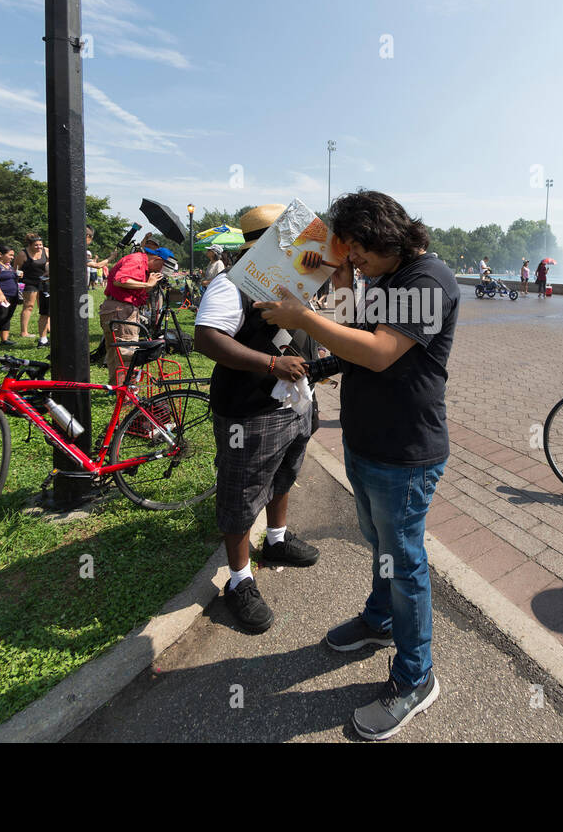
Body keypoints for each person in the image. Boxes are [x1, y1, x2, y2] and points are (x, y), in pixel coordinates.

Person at [258, 190, 459, 741]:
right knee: (379, 544)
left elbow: (377, 351)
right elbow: (351, 339)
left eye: (358, 252)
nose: (354, 262)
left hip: (406, 452)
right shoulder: (382, 278)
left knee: (405, 559)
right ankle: (381, 619)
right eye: (349, 254)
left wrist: (301, 315)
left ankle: (417, 678)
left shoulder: (428, 281)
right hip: (367, 442)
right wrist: (342, 279)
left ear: (386, 236)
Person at [194, 205, 321, 634]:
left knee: (285, 473)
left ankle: (278, 539)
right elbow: (207, 338)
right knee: (242, 490)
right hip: (249, 411)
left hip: (293, 406)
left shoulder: (291, 284)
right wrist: (270, 364)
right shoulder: (231, 287)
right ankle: (239, 579)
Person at [99, 244, 170, 385]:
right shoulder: (137, 261)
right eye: (161, 267)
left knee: (115, 352)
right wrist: (147, 285)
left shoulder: (138, 262)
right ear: (157, 259)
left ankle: (117, 387)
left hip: (114, 308)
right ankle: (126, 391)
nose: (160, 271)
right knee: (126, 350)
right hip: (121, 310)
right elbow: (120, 280)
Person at [16, 234, 49, 345]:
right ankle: (24, 331)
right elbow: (16, 268)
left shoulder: (46, 251)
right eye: (36, 245)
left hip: (44, 282)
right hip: (30, 282)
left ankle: (47, 328)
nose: (39, 247)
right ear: (30, 245)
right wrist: (18, 275)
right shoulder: (22, 254)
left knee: (44, 307)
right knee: (29, 306)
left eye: (40, 244)